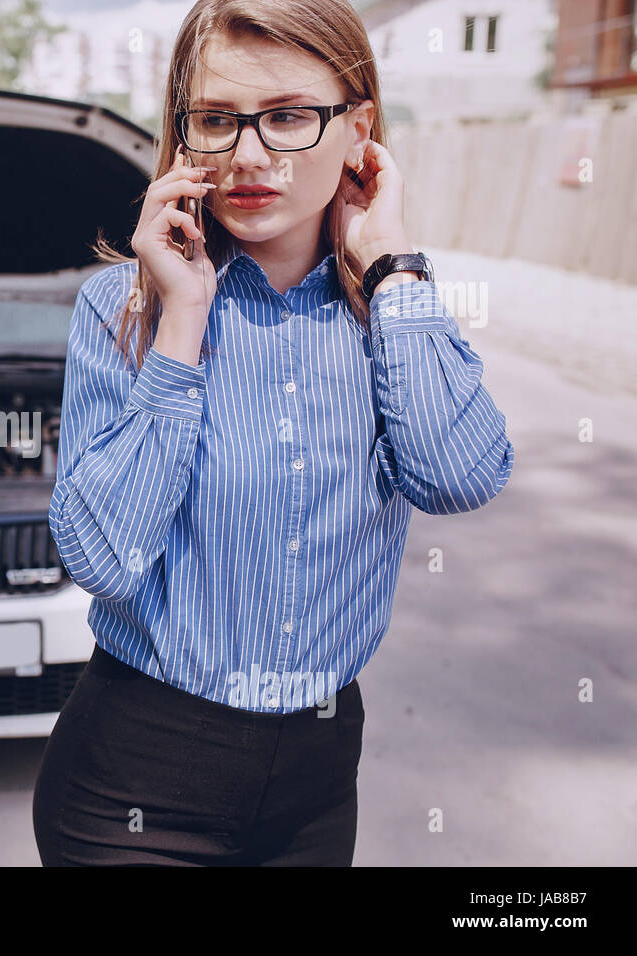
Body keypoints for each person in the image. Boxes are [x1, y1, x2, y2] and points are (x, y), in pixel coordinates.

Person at [32, 0, 514, 865]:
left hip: (316, 782)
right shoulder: (122, 310)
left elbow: (459, 476)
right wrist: (181, 322)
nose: (249, 156)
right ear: (184, 136)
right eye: (218, 120)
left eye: (289, 117)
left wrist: (393, 262)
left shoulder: (393, 310)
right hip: (135, 780)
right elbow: (101, 560)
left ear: (358, 129)